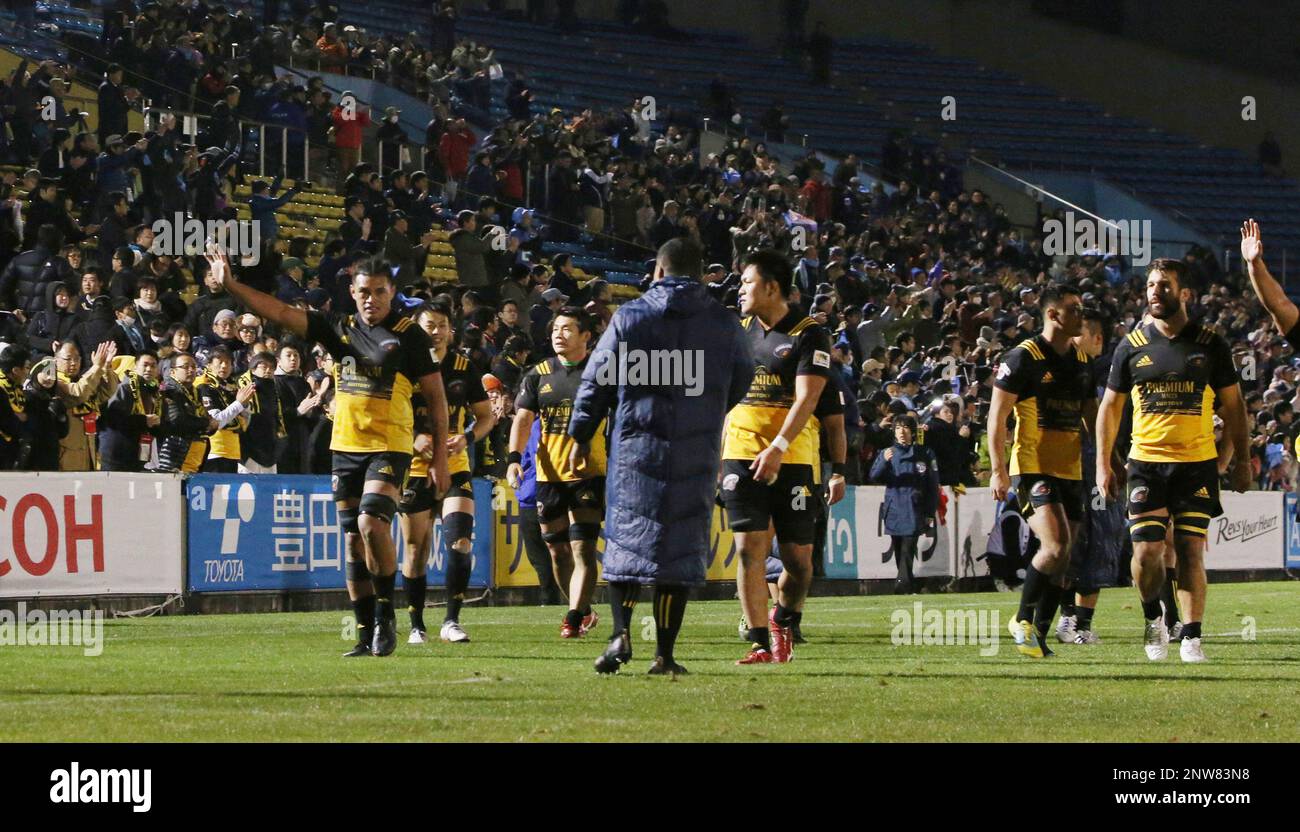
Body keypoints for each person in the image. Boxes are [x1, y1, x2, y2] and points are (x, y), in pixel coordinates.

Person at [204, 245, 450, 658]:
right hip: (345, 447)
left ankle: (387, 615)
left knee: (373, 523)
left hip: (389, 446)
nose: (371, 298)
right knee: (353, 541)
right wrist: (231, 284)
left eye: (379, 291)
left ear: (392, 293)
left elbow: (437, 400)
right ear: (353, 293)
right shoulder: (337, 328)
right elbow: (279, 312)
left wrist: (440, 457)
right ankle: (363, 630)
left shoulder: (410, 336)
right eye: (364, 291)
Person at [568, 237, 753, 675]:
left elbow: (596, 380)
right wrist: (707, 407)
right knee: (679, 545)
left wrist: (580, 434)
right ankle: (665, 656)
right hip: (696, 446)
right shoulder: (724, 324)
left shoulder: (631, 316)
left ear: (658, 271)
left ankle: (620, 634)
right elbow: (743, 378)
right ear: (702, 271)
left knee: (627, 538)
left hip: (636, 445)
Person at [1096, 259, 1250, 663]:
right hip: (1145, 462)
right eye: (1149, 285)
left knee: (1190, 550)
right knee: (1146, 554)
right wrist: (1103, 464)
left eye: (1163, 285)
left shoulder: (1210, 343)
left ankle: (1192, 636)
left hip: (1196, 463)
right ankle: (1153, 619)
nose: (1154, 292)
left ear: (1184, 293)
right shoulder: (1131, 346)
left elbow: (1234, 407)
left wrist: (1240, 460)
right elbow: (1109, 409)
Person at [721, 249, 831, 664]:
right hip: (742, 453)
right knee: (749, 549)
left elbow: (808, 398)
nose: (741, 290)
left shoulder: (809, 333)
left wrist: (778, 447)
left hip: (794, 457)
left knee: (799, 562)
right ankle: (759, 641)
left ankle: (783, 616)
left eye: (748, 282)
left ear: (771, 287)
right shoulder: (737, 331)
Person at [986, 284, 1095, 658]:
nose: (1081, 315)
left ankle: (1040, 634)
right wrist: (998, 470)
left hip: (1071, 469)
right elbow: (997, 416)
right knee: (1055, 544)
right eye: (1074, 309)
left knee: (1065, 557)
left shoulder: (1081, 361)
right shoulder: (1023, 357)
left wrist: (1109, 459)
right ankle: (1021, 618)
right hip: (1032, 466)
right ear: (1053, 315)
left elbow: (1091, 415)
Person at [398, 303, 495, 645]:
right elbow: (387, 416)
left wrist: (466, 438)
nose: (435, 332)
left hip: (455, 467)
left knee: (460, 542)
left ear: (450, 330)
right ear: (415, 327)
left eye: (442, 325)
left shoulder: (463, 368)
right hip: (413, 469)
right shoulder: (403, 366)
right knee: (415, 549)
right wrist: (413, 439)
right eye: (429, 325)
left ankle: (451, 622)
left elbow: (486, 416)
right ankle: (416, 625)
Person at [507, 307, 604, 639]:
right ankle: (585, 610)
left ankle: (574, 617)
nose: (558, 335)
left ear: (585, 336)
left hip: (588, 473)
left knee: (583, 549)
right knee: (557, 551)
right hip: (548, 476)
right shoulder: (538, 373)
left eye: (567, 329)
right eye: (555, 329)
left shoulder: (601, 371)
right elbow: (522, 419)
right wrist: (513, 458)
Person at [869, 415, 939, 593]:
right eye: (898, 428)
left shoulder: (925, 453)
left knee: (908, 547)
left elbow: (932, 485)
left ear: (913, 432)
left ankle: (901, 586)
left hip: (915, 507)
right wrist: (883, 460)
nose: (902, 431)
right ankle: (908, 585)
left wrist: (930, 511)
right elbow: (874, 476)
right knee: (899, 549)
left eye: (906, 428)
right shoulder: (888, 452)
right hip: (894, 507)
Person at [97, 352, 163, 472]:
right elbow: (112, 419)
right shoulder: (124, 387)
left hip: (136, 454)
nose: (149, 369)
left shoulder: (154, 394)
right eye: (145, 365)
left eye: (153, 366)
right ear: (135, 366)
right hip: (116, 455)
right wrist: (144, 420)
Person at [196, 348, 255, 473]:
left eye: (228, 362)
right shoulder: (204, 385)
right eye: (220, 361)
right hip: (214, 451)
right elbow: (216, 420)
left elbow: (244, 420)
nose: (224, 366)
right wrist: (239, 403)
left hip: (233, 451)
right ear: (209, 364)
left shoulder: (231, 386)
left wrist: (245, 405)